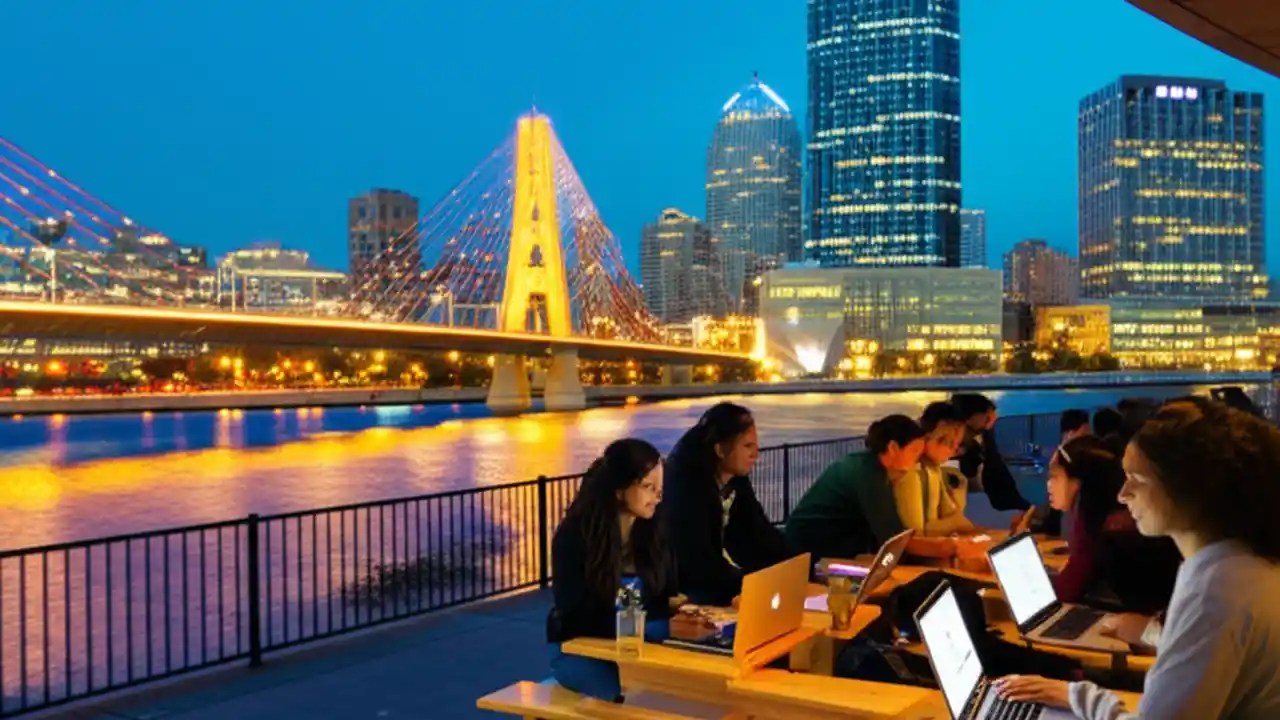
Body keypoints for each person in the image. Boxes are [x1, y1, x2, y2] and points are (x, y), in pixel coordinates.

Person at [995, 399, 1280, 719]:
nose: (1122, 493)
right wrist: (1153, 634)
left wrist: (1078, 695)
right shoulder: (1245, 564)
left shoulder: (1215, 591)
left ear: (1193, 488)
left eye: (1137, 479)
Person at [546, 438, 677, 701]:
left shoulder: (651, 530)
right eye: (648, 487)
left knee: (684, 684)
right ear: (619, 490)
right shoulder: (576, 536)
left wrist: (681, 614)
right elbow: (575, 613)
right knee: (630, 695)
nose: (657, 498)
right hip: (581, 645)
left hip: (635, 640)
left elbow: (663, 594)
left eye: (660, 489)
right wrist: (645, 627)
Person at [661, 402, 793, 606]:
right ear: (721, 449)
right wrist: (751, 585)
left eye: (756, 447)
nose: (755, 455)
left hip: (713, 582)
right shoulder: (685, 487)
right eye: (748, 446)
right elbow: (697, 562)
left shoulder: (734, 477)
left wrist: (799, 566)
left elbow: (757, 531)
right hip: (680, 590)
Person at [1045, 436, 1179, 612]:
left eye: (1054, 477)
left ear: (1076, 483)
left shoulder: (1101, 527)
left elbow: (1068, 590)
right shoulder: (1113, 518)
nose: (1049, 485)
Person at [785, 414, 926, 560]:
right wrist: (946, 547)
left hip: (818, 550)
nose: (916, 461)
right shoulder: (868, 475)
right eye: (914, 451)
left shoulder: (867, 465)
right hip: (808, 556)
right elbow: (895, 540)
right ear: (893, 448)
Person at [894, 401, 975, 536]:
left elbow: (953, 514)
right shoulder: (910, 472)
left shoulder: (933, 469)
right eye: (949, 442)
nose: (955, 450)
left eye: (957, 444)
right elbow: (916, 532)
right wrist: (955, 523)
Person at [953, 393, 1031, 511]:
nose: (991, 420)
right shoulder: (965, 447)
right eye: (986, 416)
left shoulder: (982, 442)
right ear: (968, 418)